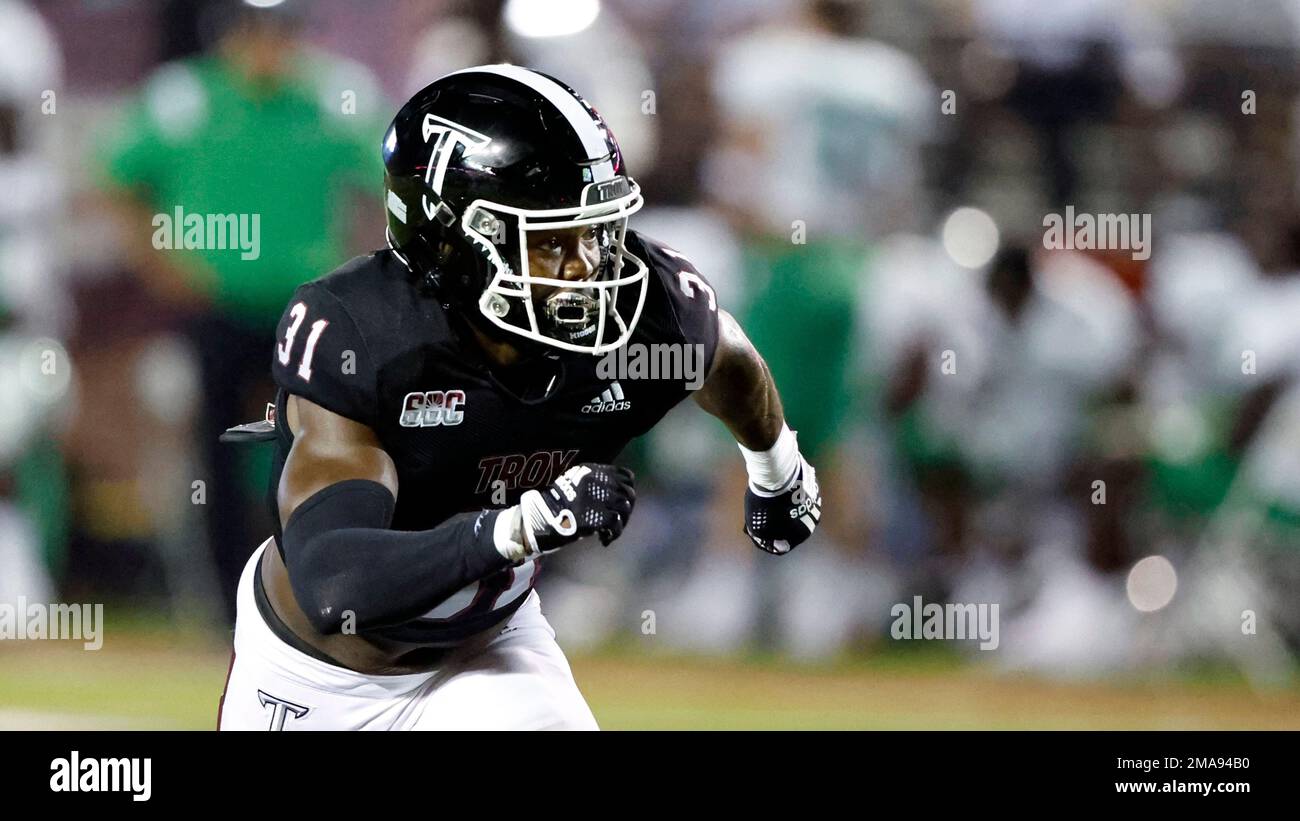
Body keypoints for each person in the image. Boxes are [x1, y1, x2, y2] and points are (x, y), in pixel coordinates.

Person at [216, 65, 824, 730]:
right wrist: (518, 525)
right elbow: (335, 581)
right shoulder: (365, 336)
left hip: (484, 652)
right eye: (554, 240)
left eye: (595, 234)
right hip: (319, 670)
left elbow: (726, 358)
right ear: (454, 241)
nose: (589, 269)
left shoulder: (645, 309)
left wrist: (778, 469)